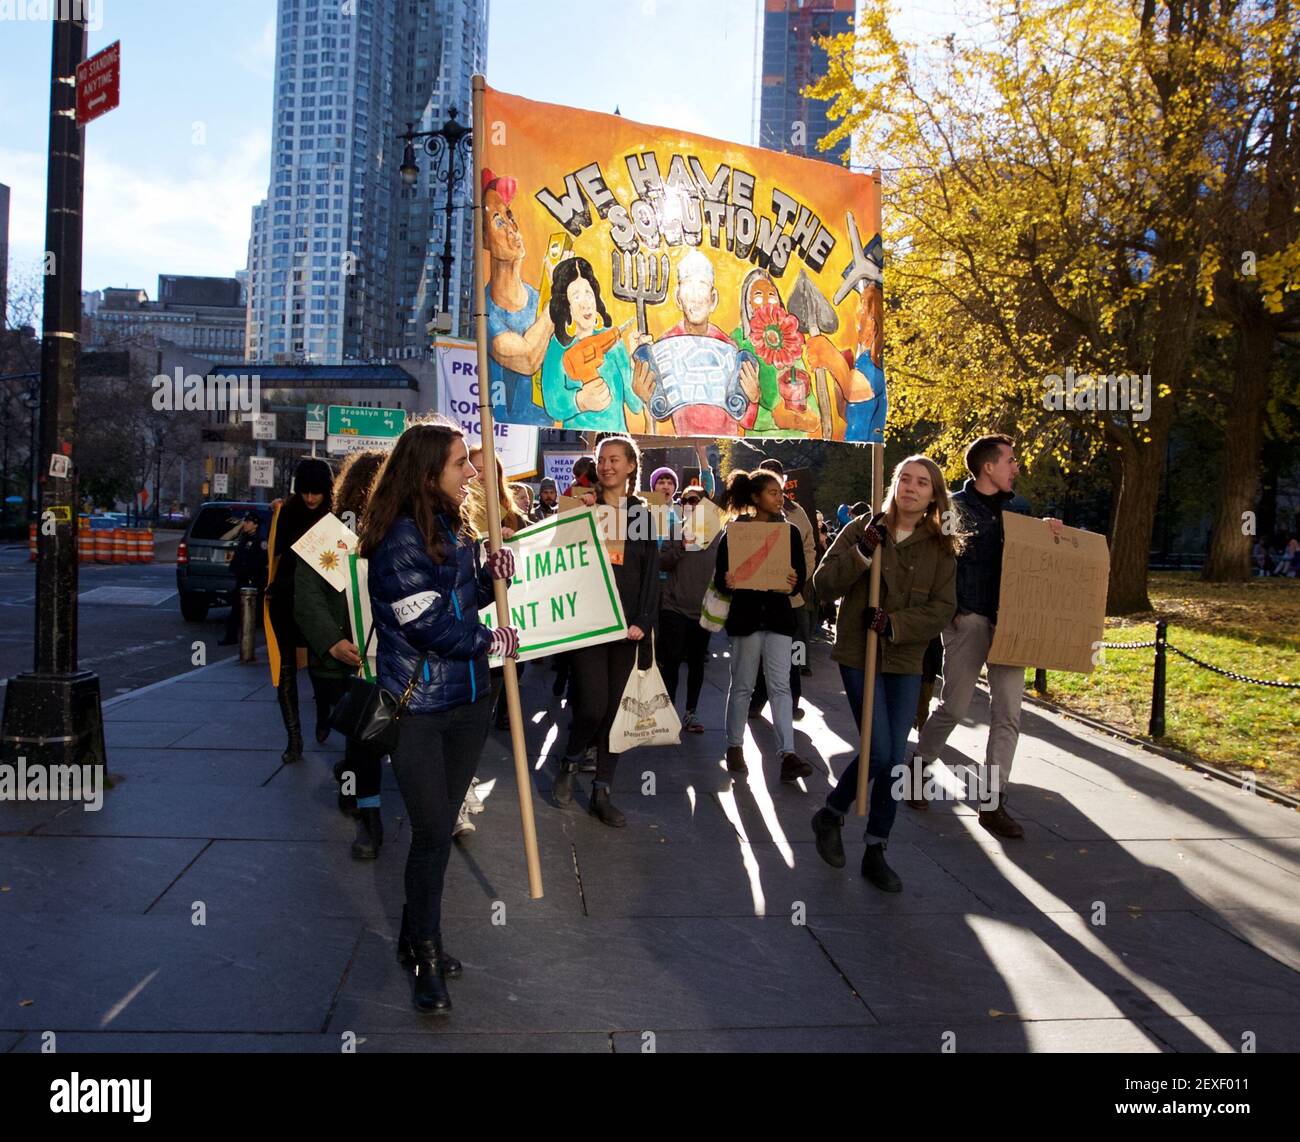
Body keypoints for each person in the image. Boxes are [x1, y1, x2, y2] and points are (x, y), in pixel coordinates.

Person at [361, 421, 520, 1014]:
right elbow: (426, 626)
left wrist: (488, 576)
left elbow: (456, 600)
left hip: (470, 703)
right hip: (420, 709)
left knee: (440, 832)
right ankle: (426, 953)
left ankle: (412, 936)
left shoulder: (451, 524)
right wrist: (493, 643)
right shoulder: (400, 538)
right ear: (429, 473)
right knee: (432, 835)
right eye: (461, 463)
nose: (472, 471)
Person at [808, 457, 959, 891]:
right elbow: (823, 585)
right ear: (893, 484)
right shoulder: (863, 530)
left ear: (933, 494)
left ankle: (874, 847)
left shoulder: (941, 544)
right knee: (877, 751)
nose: (911, 488)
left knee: (894, 760)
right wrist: (860, 553)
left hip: (905, 659)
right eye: (905, 480)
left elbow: (942, 608)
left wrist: (895, 624)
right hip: (860, 654)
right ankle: (833, 815)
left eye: (922, 483)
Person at [913, 434, 1063, 839]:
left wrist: (1050, 533)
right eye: (1011, 460)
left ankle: (993, 802)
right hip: (970, 621)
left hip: (1012, 623)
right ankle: (917, 770)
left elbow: (1035, 561)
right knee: (955, 707)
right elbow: (935, 563)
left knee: (1009, 715)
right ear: (988, 467)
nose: (1017, 467)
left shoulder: (1021, 509)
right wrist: (951, 613)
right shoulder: (952, 509)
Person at [550, 434, 660, 827]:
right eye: (601, 459)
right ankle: (571, 758)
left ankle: (602, 791)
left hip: (627, 628)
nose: (607, 466)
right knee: (592, 706)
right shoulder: (581, 506)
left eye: (615, 459)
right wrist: (579, 517)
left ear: (631, 466)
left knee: (615, 715)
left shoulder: (643, 516)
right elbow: (559, 556)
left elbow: (650, 575)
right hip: (589, 622)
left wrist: (643, 623)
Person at [293, 450, 388, 858]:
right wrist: (331, 641)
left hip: (390, 656)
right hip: (346, 658)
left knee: (371, 736)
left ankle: (355, 785)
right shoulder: (337, 533)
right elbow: (308, 594)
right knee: (361, 734)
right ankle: (365, 806)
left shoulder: (399, 529)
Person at [714, 468, 812, 782]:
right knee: (743, 685)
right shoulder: (736, 532)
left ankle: (788, 754)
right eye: (773, 492)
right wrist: (728, 580)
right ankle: (734, 746)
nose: (779, 497)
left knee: (780, 687)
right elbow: (721, 577)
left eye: (781, 492)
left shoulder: (791, 532)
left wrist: (794, 582)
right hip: (746, 618)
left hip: (779, 618)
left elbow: (799, 580)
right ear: (756, 497)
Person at [264, 457, 335, 765]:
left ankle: (323, 714)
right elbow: (273, 553)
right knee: (286, 671)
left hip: (319, 602)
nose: (310, 498)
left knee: (321, 664)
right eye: (305, 491)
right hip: (284, 598)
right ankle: (294, 739)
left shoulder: (336, 515)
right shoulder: (287, 512)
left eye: (316, 492)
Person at [645, 250, 759, 435]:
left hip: (724, 443)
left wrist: (753, 397)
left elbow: (746, 420)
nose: (695, 296)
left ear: (713, 299)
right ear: (678, 298)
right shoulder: (664, 347)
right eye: (688, 286)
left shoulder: (728, 347)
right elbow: (658, 411)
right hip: (685, 442)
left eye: (702, 286)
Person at [541, 257, 648, 433]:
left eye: (588, 293)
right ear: (565, 305)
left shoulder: (614, 343)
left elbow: (635, 404)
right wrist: (580, 401)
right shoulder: (558, 347)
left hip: (616, 438)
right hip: (579, 442)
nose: (585, 303)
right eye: (576, 296)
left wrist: (635, 359)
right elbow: (552, 405)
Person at [483, 168, 554, 427]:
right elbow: (526, 359)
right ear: (483, 239)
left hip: (547, 433)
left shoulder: (539, 298)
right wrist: (554, 304)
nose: (512, 228)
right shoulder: (486, 311)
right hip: (503, 436)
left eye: (510, 216)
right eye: (499, 222)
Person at [748, 458, 815, 719]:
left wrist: (799, 577)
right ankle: (757, 700)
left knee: (793, 654)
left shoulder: (797, 512)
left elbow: (809, 547)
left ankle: (792, 702)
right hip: (759, 599)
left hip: (791, 598)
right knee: (761, 655)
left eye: (778, 477)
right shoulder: (751, 515)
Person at [657, 484, 719, 733]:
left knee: (696, 663)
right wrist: (680, 547)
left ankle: (690, 713)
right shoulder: (674, 529)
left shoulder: (719, 535)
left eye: (696, 500)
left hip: (702, 609)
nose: (691, 504)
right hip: (673, 607)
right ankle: (669, 711)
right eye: (686, 500)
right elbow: (662, 562)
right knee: (670, 661)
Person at [219, 512, 267, 646]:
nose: (245, 524)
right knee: (235, 610)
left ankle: (236, 639)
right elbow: (224, 539)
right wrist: (238, 527)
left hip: (251, 581)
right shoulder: (244, 537)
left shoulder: (260, 540)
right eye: (245, 522)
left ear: (255, 525)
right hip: (241, 578)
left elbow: (261, 562)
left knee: (244, 611)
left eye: (248, 522)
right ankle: (231, 637)